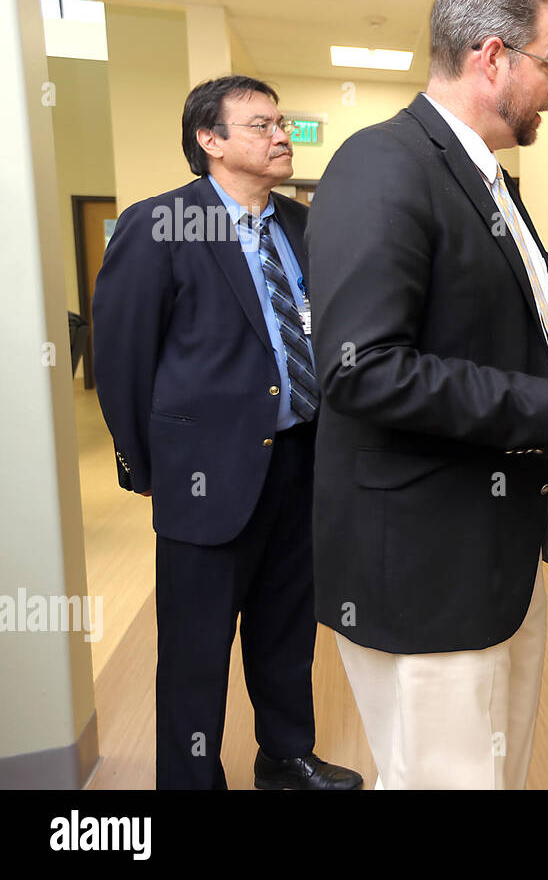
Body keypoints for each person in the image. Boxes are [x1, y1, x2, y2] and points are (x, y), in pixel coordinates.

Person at [307, 0, 548, 790]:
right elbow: (364, 372)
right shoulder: (383, 166)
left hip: (495, 552)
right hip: (428, 564)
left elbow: (497, 316)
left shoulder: (487, 179)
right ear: (493, 56)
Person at [92, 75, 362, 790]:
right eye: (261, 125)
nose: (282, 136)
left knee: (286, 628)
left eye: (282, 124)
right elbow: (122, 360)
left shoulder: (305, 226)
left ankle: (285, 756)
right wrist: (143, 468)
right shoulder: (161, 226)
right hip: (203, 474)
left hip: (300, 462)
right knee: (196, 647)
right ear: (209, 142)